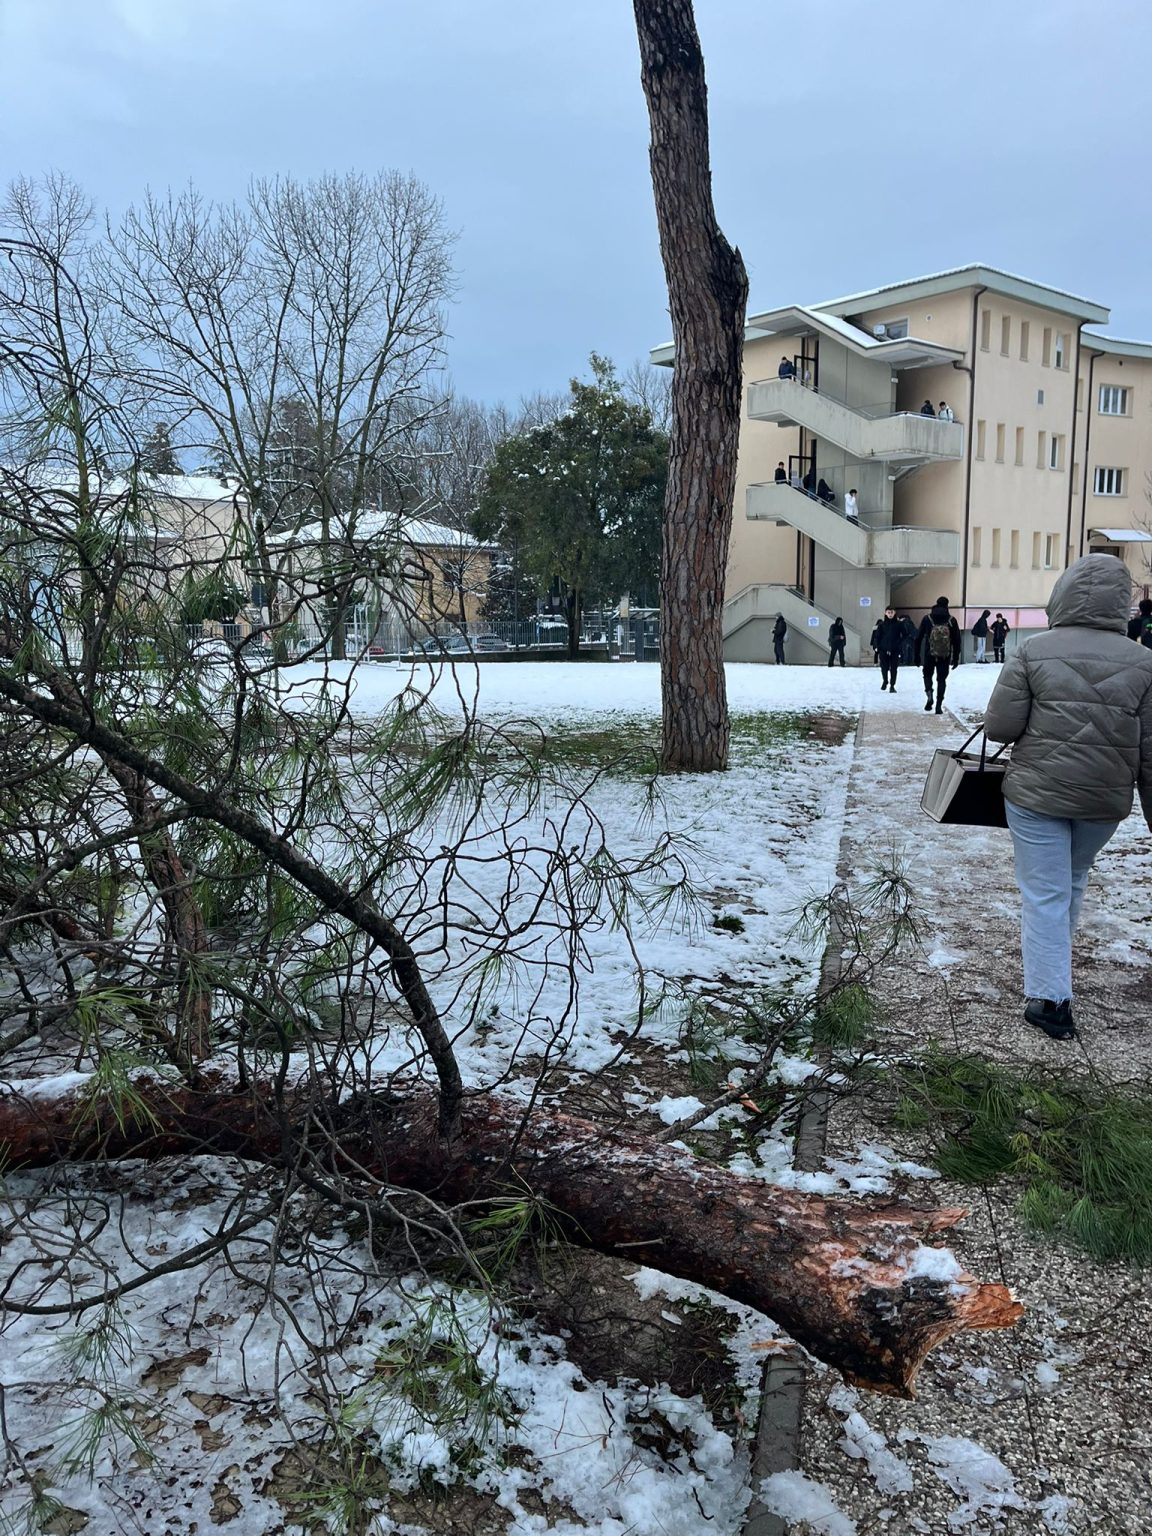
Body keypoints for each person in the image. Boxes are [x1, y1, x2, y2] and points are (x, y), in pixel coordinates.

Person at [984, 554, 1152, 1040]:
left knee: (1045, 892)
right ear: (1122, 603)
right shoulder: (1145, 662)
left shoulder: (1033, 650)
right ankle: (1053, 969)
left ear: (1062, 594)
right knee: (1070, 881)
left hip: (1037, 793)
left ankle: (1051, 1000)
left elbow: (1000, 728)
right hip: (1105, 800)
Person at [915, 596, 961, 714]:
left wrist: (917, 655)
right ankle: (939, 706)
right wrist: (956, 658)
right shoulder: (952, 620)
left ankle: (929, 694)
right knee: (941, 679)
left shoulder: (927, 618)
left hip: (929, 653)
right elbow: (956, 641)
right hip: (944, 655)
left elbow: (918, 637)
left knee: (927, 675)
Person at [876, 605, 903, 692]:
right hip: (883, 649)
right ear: (885, 613)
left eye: (892, 612)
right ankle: (885, 681)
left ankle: (892, 685)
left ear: (894, 613)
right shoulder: (882, 625)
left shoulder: (899, 625)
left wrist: (899, 645)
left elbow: (904, 635)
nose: (890, 614)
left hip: (895, 650)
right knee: (884, 667)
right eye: (888, 612)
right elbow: (877, 637)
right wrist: (878, 647)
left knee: (894, 668)